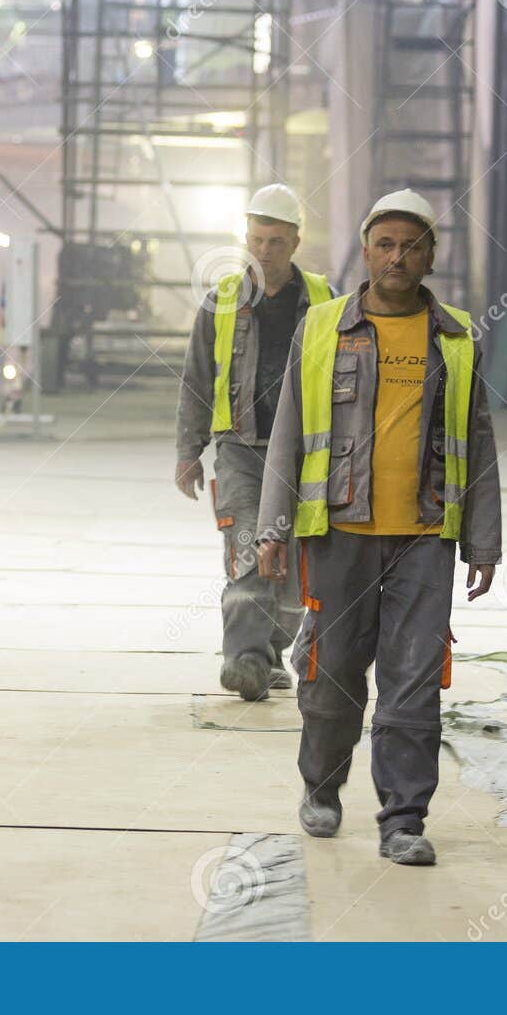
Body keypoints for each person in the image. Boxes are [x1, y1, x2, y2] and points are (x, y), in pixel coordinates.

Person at [255, 188, 502, 865]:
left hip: (425, 536)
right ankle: (322, 786)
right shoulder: (324, 326)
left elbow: (478, 442)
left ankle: (403, 818)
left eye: (412, 245)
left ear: (430, 256)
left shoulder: (455, 337)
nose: (398, 256)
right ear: (366, 251)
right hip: (339, 533)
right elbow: (288, 432)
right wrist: (271, 525)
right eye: (385, 244)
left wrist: (484, 540)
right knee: (332, 674)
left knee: (414, 678)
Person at [175, 184, 337, 702]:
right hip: (242, 448)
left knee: (289, 561)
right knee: (248, 549)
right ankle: (243, 657)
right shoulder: (221, 301)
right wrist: (188, 451)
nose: (264, 250)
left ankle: (269, 653)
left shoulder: (323, 301)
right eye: (255, 240)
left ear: (294, 240)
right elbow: (197, 380)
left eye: (274, 240)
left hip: (304, 452)